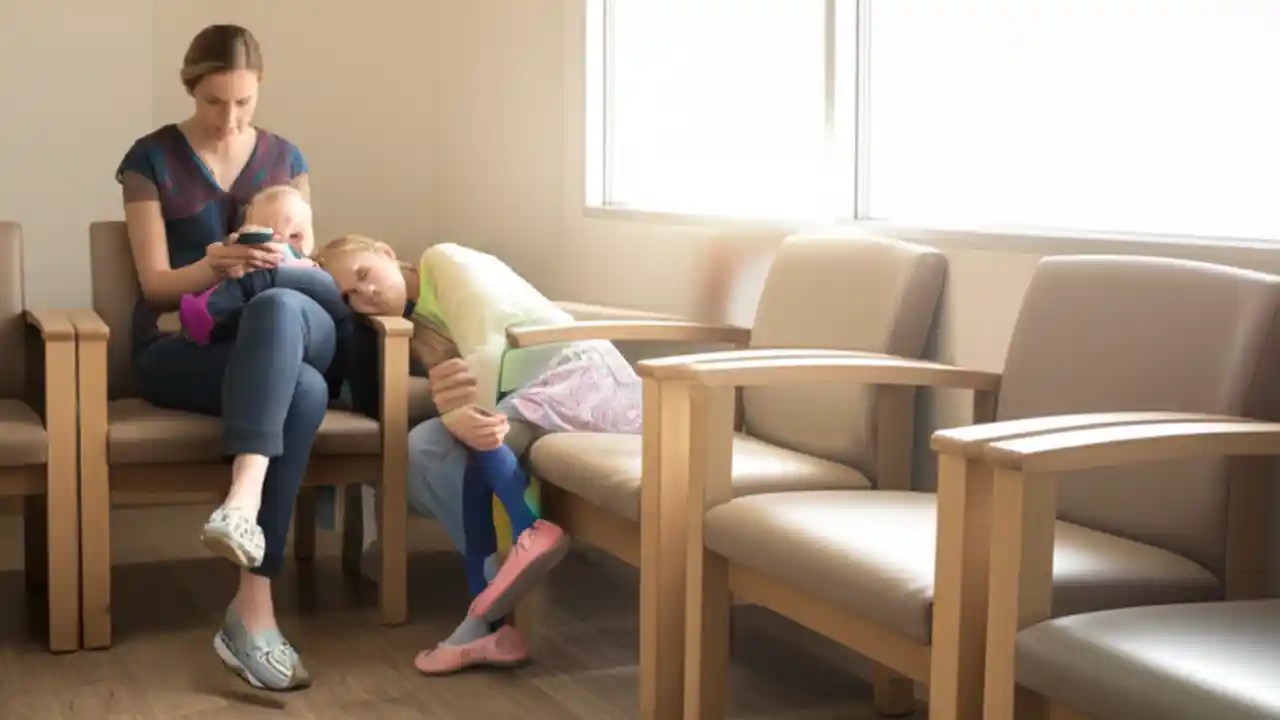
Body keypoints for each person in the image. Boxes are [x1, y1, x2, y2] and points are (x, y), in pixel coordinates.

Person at [312, 235, 643, 675]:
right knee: (420, 449)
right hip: (524, 397)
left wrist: (463, 414)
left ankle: (492, 602)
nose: (364, 296)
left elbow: (488, 347)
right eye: (349, 297)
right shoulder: (421, 329)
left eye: (363, 275)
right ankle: (498, 590)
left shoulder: (444, 262)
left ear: (386, 252)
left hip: (578, 377)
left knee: (466, 446)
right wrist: (455, 413)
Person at [117, 23, 332, 691]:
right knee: (303, 391)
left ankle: (241, 499)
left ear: (258, 90)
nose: (229, 118)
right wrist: (213, 265)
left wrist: (274, 264)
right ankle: (254, 611)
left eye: (243, 102)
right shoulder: (149, 160)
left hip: (279, 321)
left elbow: (311, 266)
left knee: (276, 307)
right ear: (192, 88)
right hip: (183, 347)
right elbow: (155, 285)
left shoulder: (286, 157)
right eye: (215, 102)